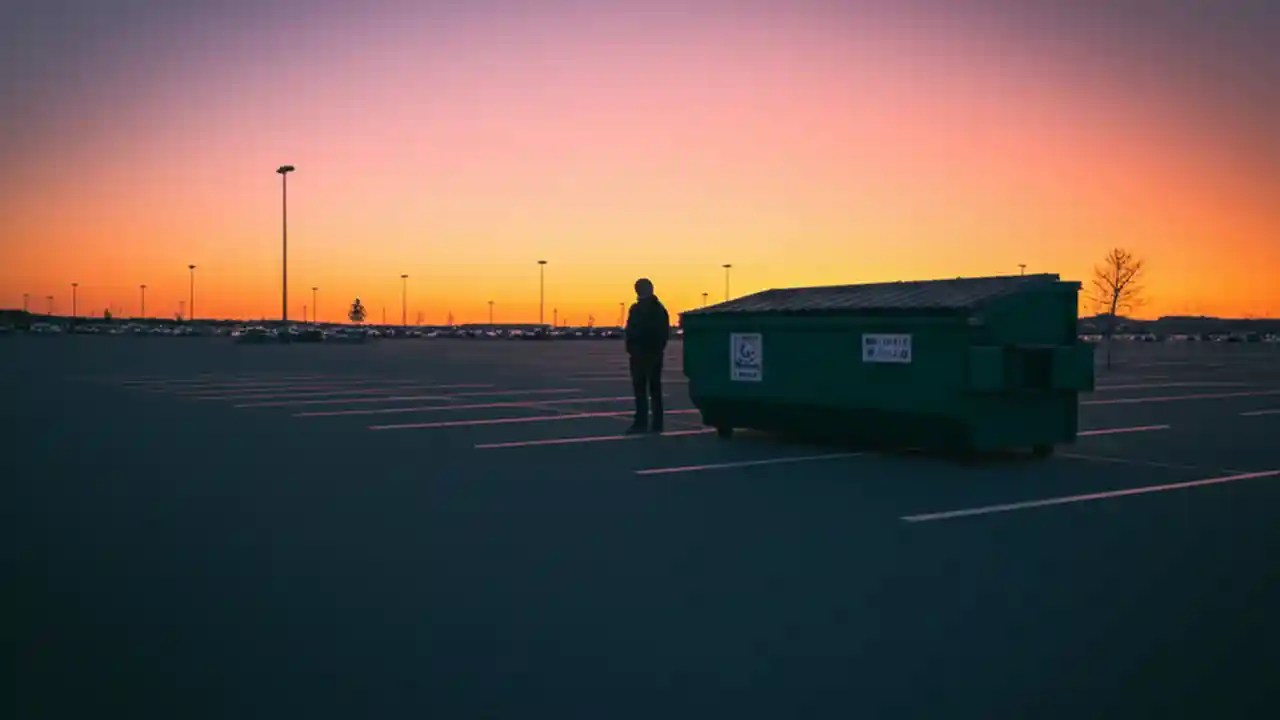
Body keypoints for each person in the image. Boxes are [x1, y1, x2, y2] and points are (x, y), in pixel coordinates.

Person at [624, 278, 670, 434]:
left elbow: (662, 333)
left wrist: (655, 350)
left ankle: (655, 423)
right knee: (641, 390)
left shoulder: (656, 309)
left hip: (650, 354)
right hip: (639, 354)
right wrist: (631, 348)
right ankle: (642, 422)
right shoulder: (636, 308)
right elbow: (629, 329)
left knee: (652, 390)